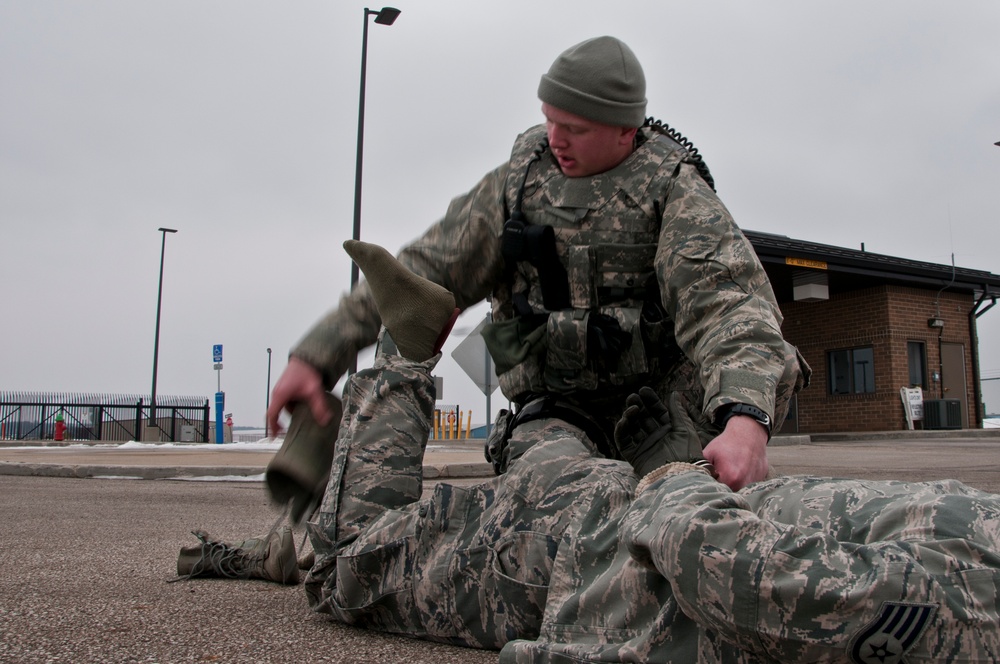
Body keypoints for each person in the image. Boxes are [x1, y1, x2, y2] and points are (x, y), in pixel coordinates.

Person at [181, 241, 1000, 663]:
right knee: (350, 570)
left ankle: (327, 473)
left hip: (592, 521)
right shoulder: (963, 618)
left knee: (386, 538)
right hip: (575, 561)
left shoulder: (978, 526)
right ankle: (400, 361)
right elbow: (743, 570)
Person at [265, 35, 809, 503]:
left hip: (658, 412)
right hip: (556, 412)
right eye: (550, 120)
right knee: (557, 505)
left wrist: (745, 422)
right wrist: (316, 355)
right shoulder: (519, 187)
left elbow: (731, 308)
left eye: (575, 127)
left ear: (626, 130)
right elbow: (422, 272)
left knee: (685, 506)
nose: (556, 139)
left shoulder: (672, 192)